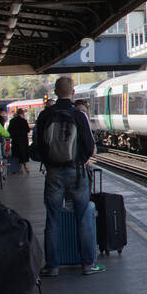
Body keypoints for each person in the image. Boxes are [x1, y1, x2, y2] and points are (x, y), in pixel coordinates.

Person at [34, 76, 103, 277]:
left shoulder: (45, 115)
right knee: (83, 217)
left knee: (53, 218)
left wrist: (49, 161)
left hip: (53, 173)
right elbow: (90, 147)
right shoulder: (79, 115)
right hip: (77, 173)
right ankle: (88, 264)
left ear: (55, 92)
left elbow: (37, 146)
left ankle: (52, 266)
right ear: (73, 92)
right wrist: (80, 159)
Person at [7, 107, 31, 177]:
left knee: (16, 154)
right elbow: (28, 130)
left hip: (15, 140)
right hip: (23, 140)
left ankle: (18, 168)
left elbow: (9, 130)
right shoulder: (24, 121)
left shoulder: (12, 121)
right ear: (22, 113)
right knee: (23, 154)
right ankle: (25, 167)